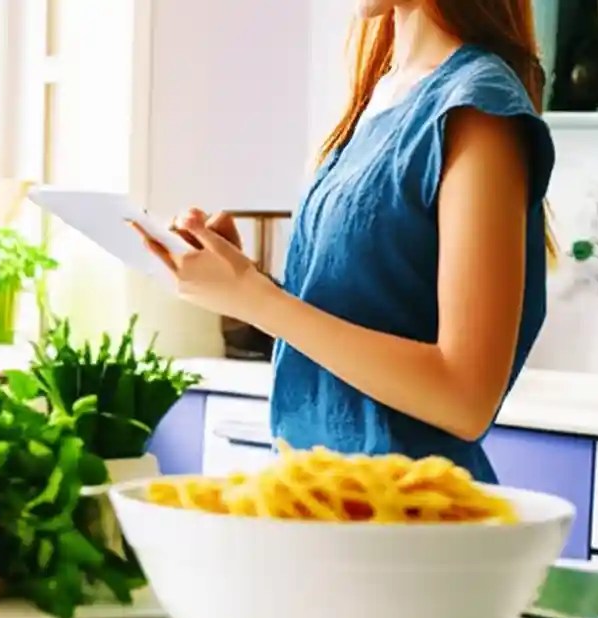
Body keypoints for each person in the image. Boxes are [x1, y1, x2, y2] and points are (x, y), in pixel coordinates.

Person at [132, 0, 556, 484]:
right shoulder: (381, 97)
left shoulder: (478, 107)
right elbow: (362, 318)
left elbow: (465, 398)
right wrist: (240, 282)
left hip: (411, 512)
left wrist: (256, 298)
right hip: (320, 500)